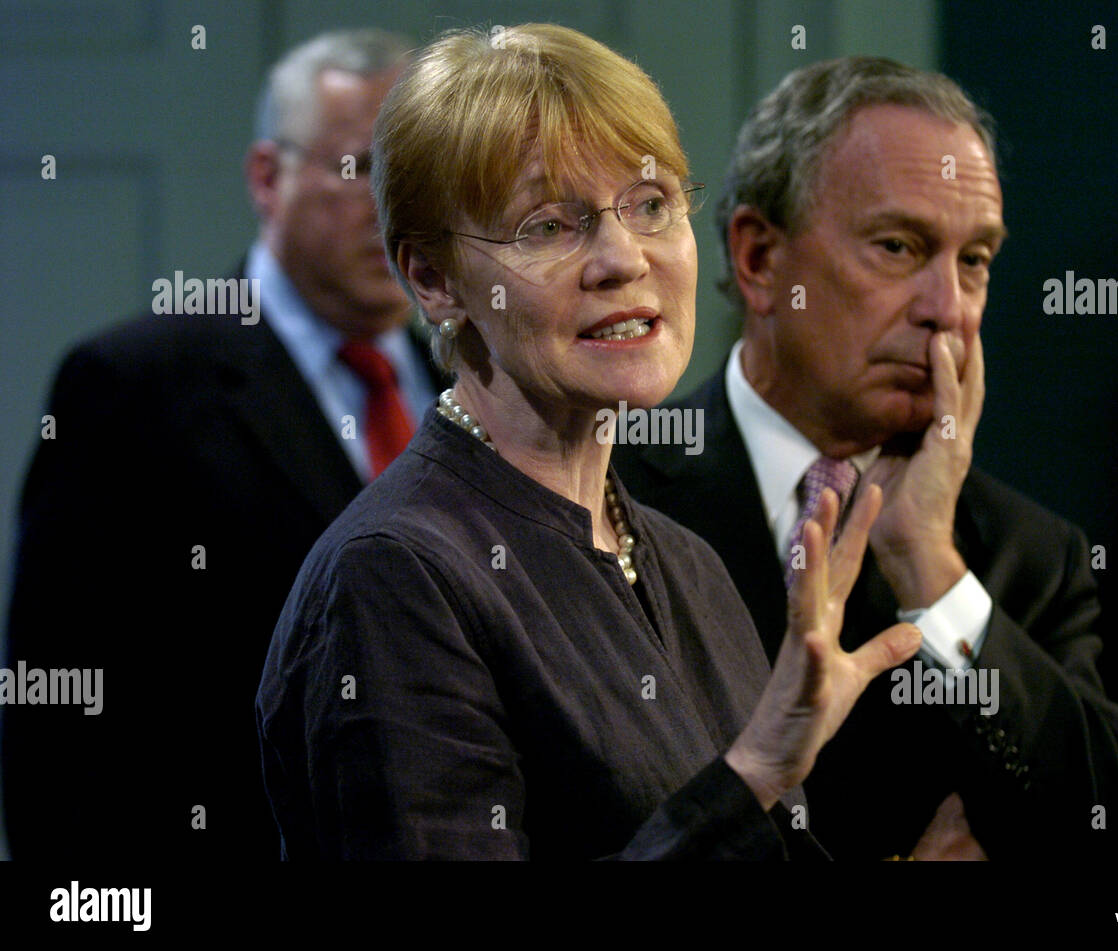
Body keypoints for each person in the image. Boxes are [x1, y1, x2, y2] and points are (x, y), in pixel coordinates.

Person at [256, 23, 923, 860]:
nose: (622, 259)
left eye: (650, 205)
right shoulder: (394, 576)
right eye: (547, 226)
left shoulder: (689, 563)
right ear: (432, 278)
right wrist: (750, 772)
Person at [614, 57, 1118, 860]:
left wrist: (928, 567)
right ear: (760, 260)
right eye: (899, 247)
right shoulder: (608, 496)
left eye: (974, 260)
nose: (948, 310)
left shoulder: (1026, 556)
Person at [2, 29, 446, 860]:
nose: (394, 208)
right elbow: (57, 712)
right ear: (267, 178)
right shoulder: (132, 387)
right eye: (357, 170)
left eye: (418, 178)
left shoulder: (471, 392)